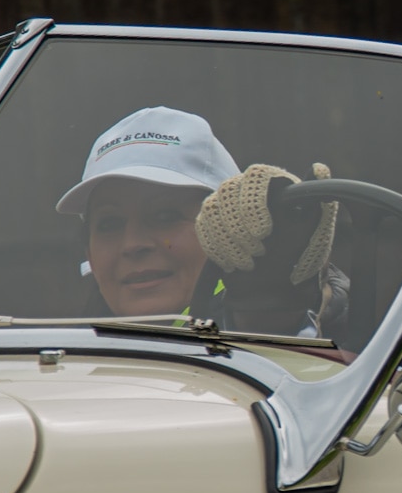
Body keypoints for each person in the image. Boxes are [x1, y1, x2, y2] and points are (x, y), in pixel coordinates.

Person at [56, 106, 348, 337]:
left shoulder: (348, 347)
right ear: (88, 252)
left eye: (165, 216)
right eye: (110, 223)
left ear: (229, 226)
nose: (133, 244)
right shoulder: (55, 371)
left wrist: (272, 319)